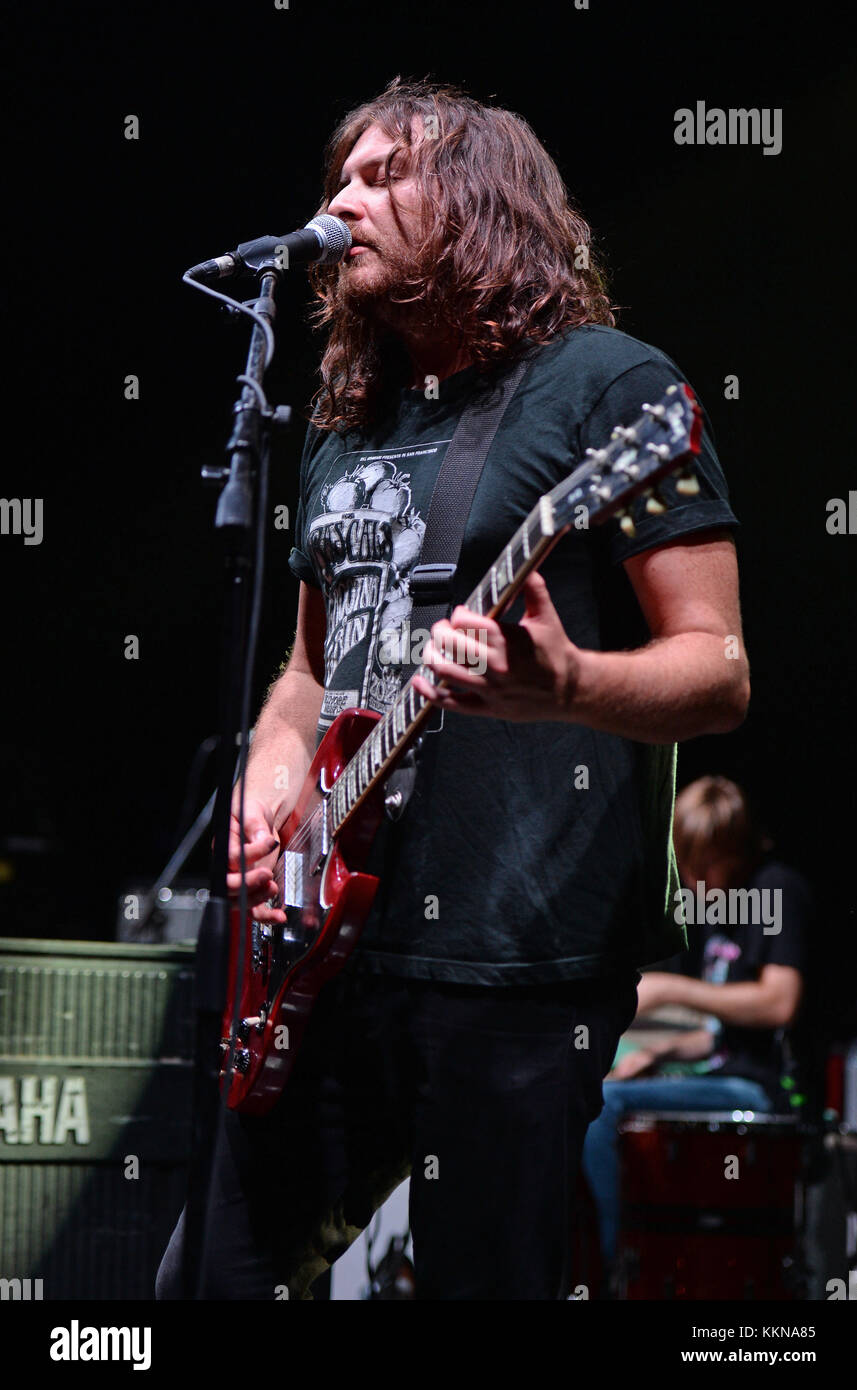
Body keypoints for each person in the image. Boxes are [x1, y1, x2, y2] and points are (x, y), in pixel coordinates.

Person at [156, 78, 749, 1301]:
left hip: (514, 966)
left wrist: (570, 682)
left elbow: (717, 669)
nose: (343, 202)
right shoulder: (343, 425)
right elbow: (310, 670)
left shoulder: (608, 388)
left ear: (479, 203)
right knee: (206, 1282)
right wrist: (272, 782)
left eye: (385, 175)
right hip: (327, 955)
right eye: (338, 179)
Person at [581, 775, 809, 1278]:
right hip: (727, 1076)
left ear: (731, 848)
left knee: (603, 1107)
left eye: (704, 864)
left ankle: (613, 1262)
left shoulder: (777, 890)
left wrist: (670, 991)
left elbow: (779, 1003)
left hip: (764, 1091)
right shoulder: (723, 908)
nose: (694, 878)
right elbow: (722, 1034)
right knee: (600, 1087)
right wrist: (658, 1056)